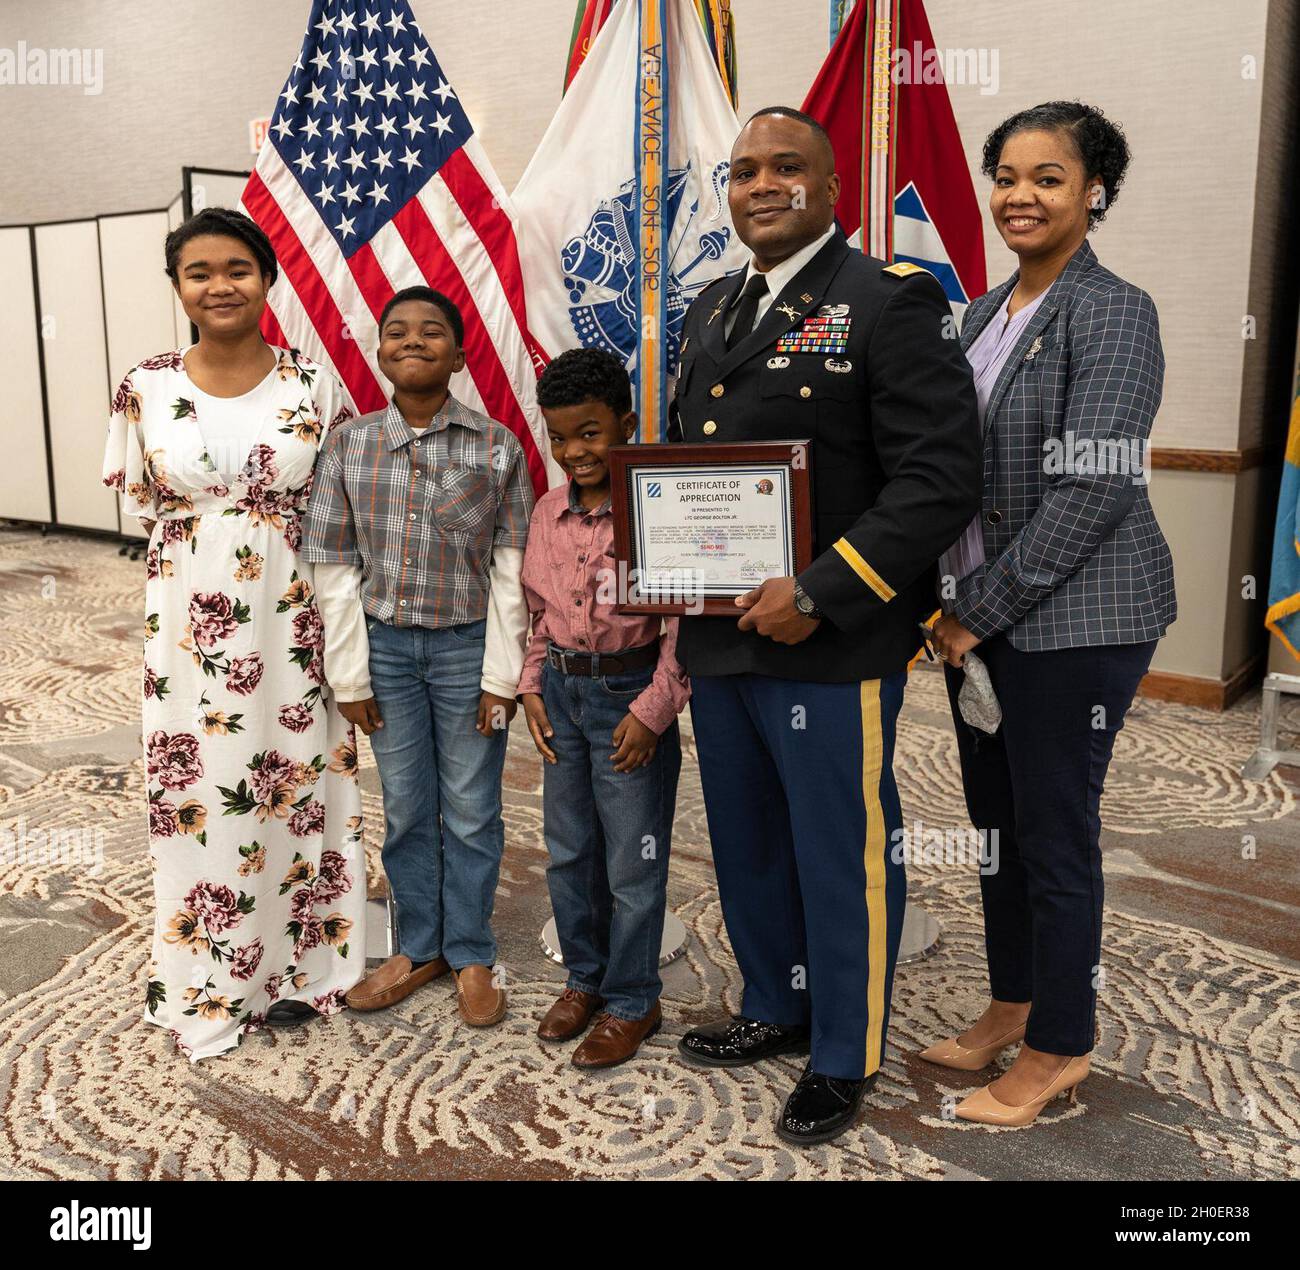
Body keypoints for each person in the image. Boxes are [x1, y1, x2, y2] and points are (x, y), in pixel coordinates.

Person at [670, 108, 982, 1144]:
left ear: (832, 185)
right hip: (722, 637)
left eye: (786, 167)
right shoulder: (711, 305)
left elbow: (937, 481)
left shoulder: (888, 301)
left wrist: (818, 589)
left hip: (829, 637)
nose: (761, 183)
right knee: (748, 841)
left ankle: (842, 1050)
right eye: (744, 169)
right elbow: (691, 470)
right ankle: (774, 1002)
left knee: (838, 848)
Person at [922, 102, 1176, 1126]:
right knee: (995, 827)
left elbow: (1092, 488)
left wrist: (975, 610)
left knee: (1053, 833)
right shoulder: (980, 313)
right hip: (974, 621)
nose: (1019, 196)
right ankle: (1013, 1001)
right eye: (1007, 176)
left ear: (1093, 192)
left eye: (1048, 178)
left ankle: (1060, 1045)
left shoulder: (1113, 309)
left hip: (1075, 623)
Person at [100, 207, 365, 1060]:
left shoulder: (312, 387)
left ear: (267, 279)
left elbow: (342, 509)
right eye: (199, 271)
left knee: (297, 782)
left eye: (238, 269)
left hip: (294, 616)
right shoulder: (146, 385)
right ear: (178, 285)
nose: (220, 285)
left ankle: (300, 967)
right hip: (188, 621)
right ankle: (213, 971)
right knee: (200, 790)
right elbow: (141, 501)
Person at [302, 286, 533, 1028]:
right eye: (395, 331)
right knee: (405, 808)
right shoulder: (350, 444)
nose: (412, 341)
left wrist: (502, 675)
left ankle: (470, 951)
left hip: (468, 650)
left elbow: (509, 567)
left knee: (470, 809)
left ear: (460, 354)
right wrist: (349, 671)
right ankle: (419, 944)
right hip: (387, 654)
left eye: (432, 332)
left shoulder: (495, 445)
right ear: (378, 353)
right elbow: (333, 567)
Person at [518, 348, 689, 1069]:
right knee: (569, 852)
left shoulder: (656, 503)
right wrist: (530, 685)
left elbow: (684, 623)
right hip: (562, 693)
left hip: (627, 699)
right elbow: (538, 610)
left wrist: (653, 710)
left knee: (630, 860)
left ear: (625, 423)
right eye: (560, 438)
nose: (574, 452)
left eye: (590, 433)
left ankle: (631, 999)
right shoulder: (547, 509)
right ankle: (584, 978)